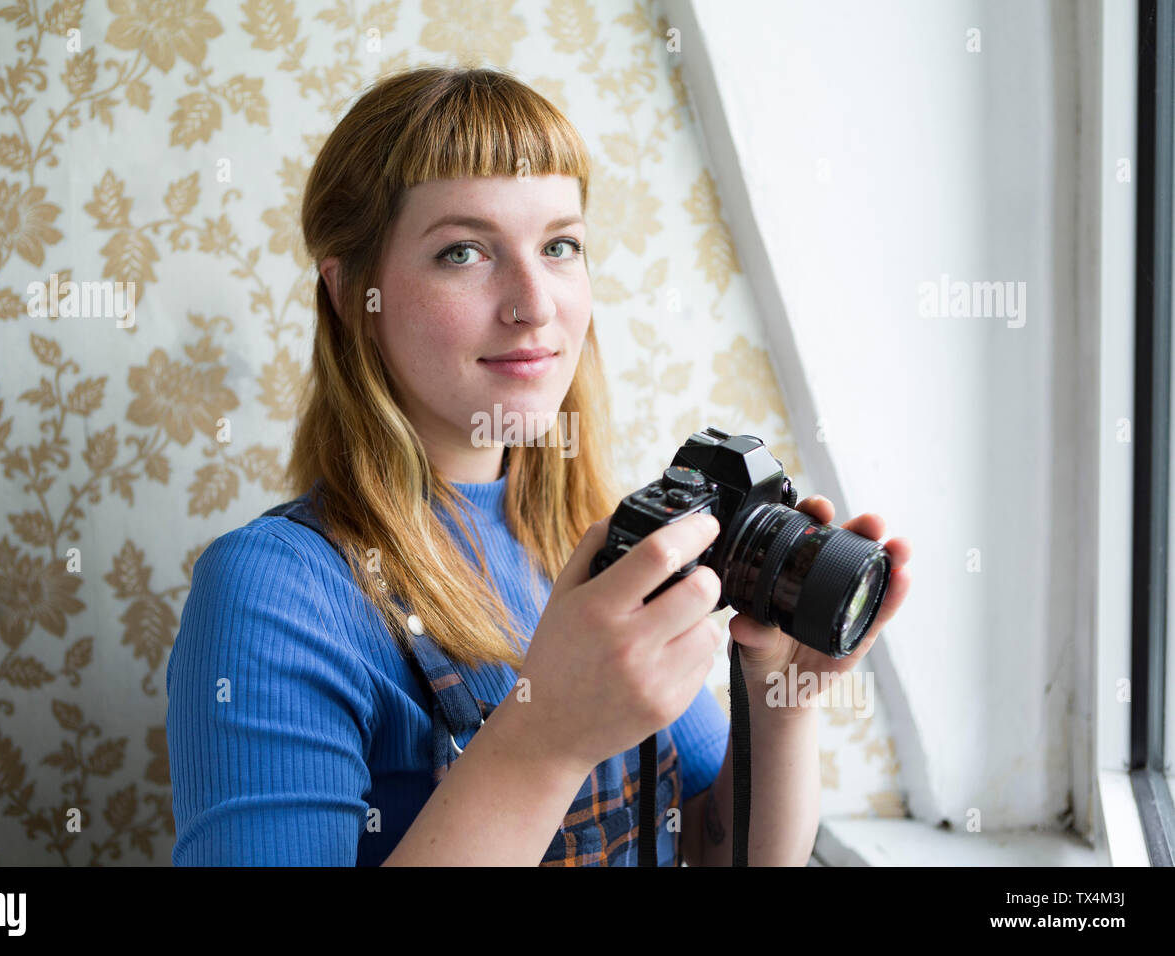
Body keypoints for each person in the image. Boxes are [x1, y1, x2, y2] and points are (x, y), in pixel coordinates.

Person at [165, 66, 912, 866]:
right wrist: (547, 737)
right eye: (462, 252)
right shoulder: (274, 592)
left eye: (560, 246)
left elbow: (712, 848)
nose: (535, 303)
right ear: (351, 294)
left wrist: (779, 701)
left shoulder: (591, 544)